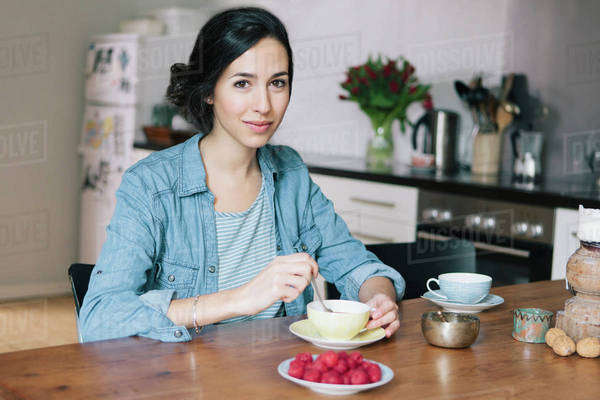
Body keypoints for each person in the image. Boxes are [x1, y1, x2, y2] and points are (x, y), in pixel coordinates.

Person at [79, 6, 405, 343]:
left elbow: (357, 266)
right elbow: (100, 319)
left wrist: (378, 298)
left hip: (282, 375)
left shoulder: (290, 174)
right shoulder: (151, 185)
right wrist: (240, 299)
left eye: (277, 83)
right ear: (209, 91)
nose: (263, 104)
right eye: (242, 83)